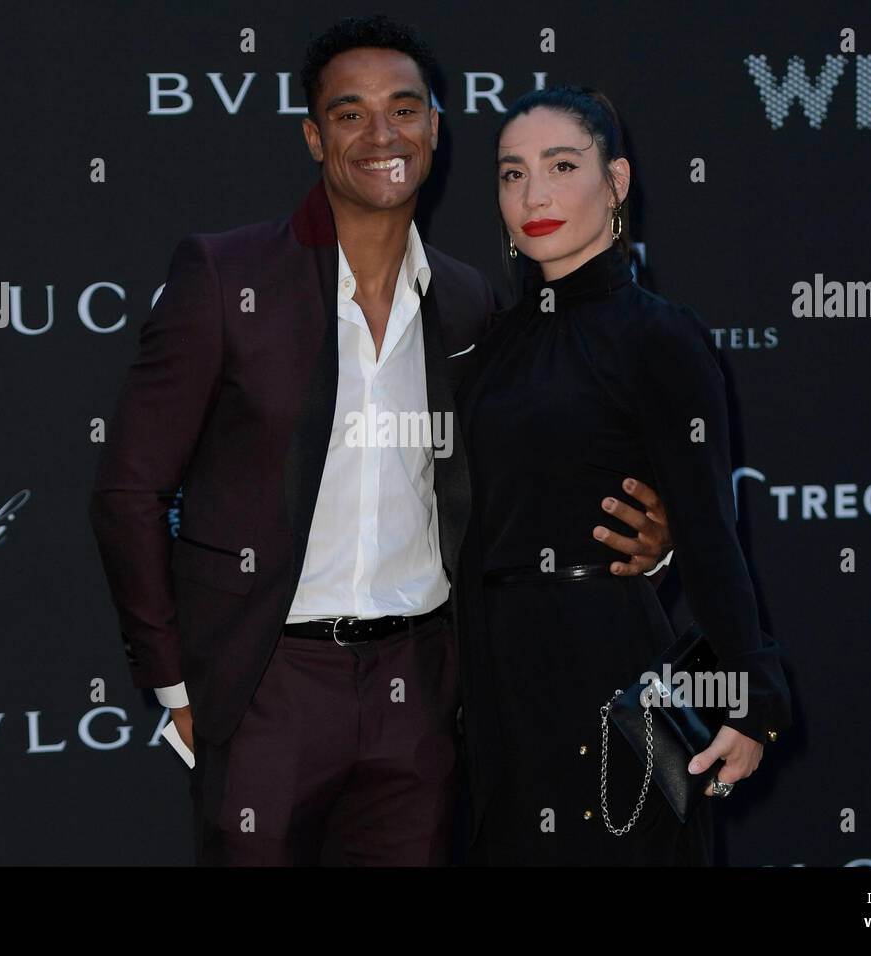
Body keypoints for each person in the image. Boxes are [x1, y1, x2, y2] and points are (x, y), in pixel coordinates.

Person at [87, 19, 671, 865]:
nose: (382, 134)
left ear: (436, 127)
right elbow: (128, 491)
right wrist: (177, 683)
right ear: (314, 136)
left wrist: (649, 548)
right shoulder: (226, 277)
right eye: (350, 114)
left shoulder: (471, 302)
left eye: (404, 109)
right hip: (266, 688)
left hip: (423, 692)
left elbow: (525, 484)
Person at [455, 85, 794, 865]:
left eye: (562, 165)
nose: (533, 193)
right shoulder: (490, 348)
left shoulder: (659, 337)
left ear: (616, 183)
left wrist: (751, 699)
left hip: (607, 676)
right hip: (495, 685)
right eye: (512, 173)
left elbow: (710, 529)